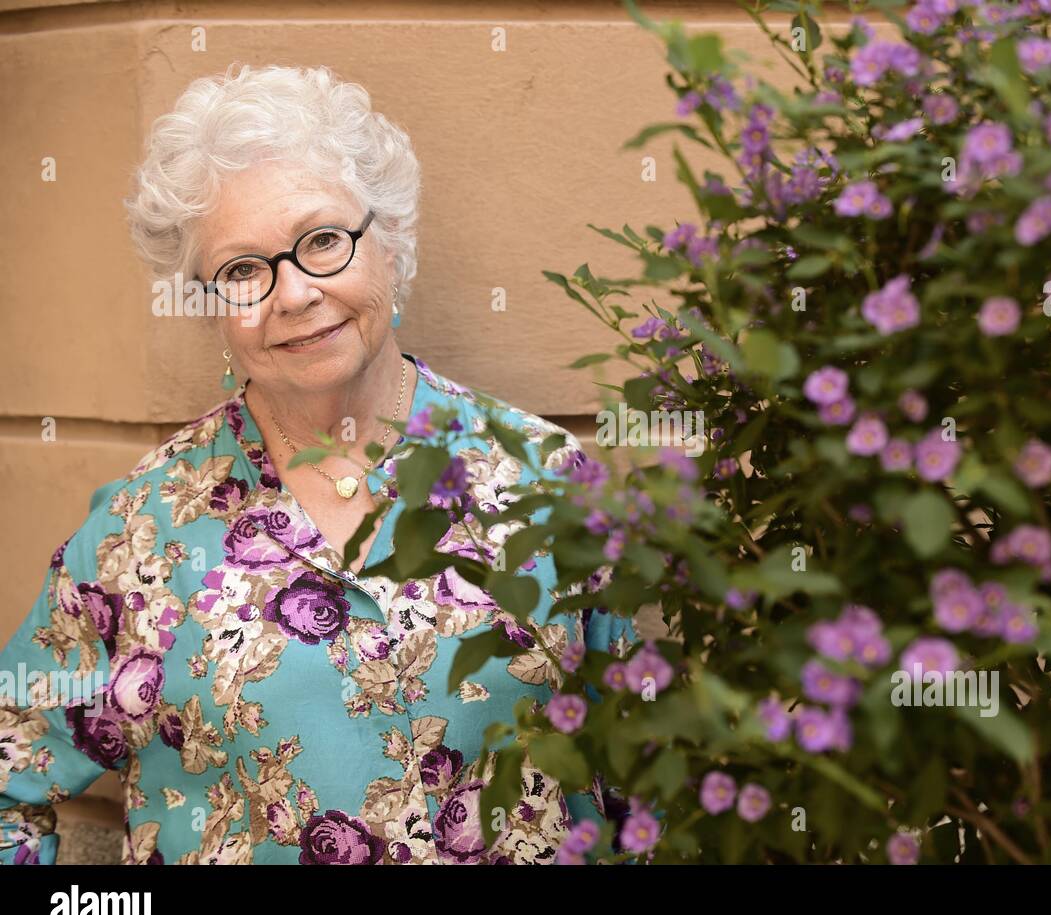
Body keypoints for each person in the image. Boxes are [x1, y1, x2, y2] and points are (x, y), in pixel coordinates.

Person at [0, 64, 635, 865]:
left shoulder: (548, 481)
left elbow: (642, 781)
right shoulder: (141, 530)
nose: (293, 294)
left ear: (391, 243)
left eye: (324, 241)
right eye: (241, 271)